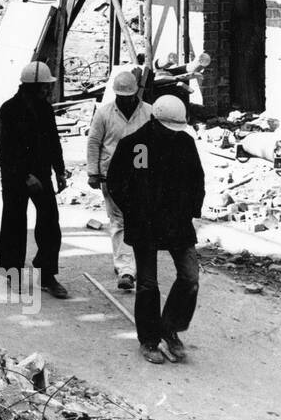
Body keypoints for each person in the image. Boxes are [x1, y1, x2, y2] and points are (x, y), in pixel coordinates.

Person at [106, 95, 205, 365]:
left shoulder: (184, 142)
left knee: (190, 277)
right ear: (155, 121)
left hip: (177, 224)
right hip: (145, 224)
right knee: (148, 284)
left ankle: (170, 328)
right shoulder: (136, 144)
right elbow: (116, 182)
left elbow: (198, 179)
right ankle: (149, 340)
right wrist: (133, 211)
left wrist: (193, 211)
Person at [0, 61, 69, 298]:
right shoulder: (7, 111)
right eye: (45, 86)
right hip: (15, 178)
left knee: (50, 224)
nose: (49, 90)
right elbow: (6, 152)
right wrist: (24, 176)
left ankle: (47, 274)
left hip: (42, 175)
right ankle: (12, 271)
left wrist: (59, 170)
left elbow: (53, 143)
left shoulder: (45, 109)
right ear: (34, 86)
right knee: (14, 223)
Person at [86, 70, 153, 292]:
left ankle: (136, 265)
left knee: (140, 220)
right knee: (118, 222)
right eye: (120, 97)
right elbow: (94, 142)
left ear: (136, 94)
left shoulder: (149, 113)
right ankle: (125, 270)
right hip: (111, 176)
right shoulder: (104, 114)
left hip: (140, 176)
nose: (124, 100)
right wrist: (93, 172)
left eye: (128, 96)